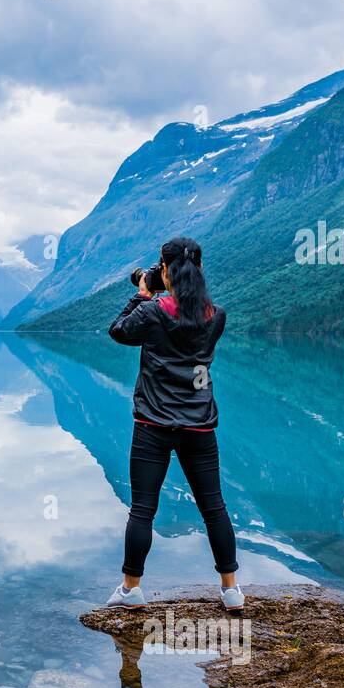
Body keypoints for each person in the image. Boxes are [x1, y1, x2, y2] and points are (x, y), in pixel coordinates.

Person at [105, 237, 243, 612]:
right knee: (213, 506)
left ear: (164, 270)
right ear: (199, 270)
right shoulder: (217, 315)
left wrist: (142, 294)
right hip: (200, 424)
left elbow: (118, 331)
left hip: (153, 423)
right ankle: (231, 590)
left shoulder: (153, 313)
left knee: (143, 509)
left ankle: (131, 589)